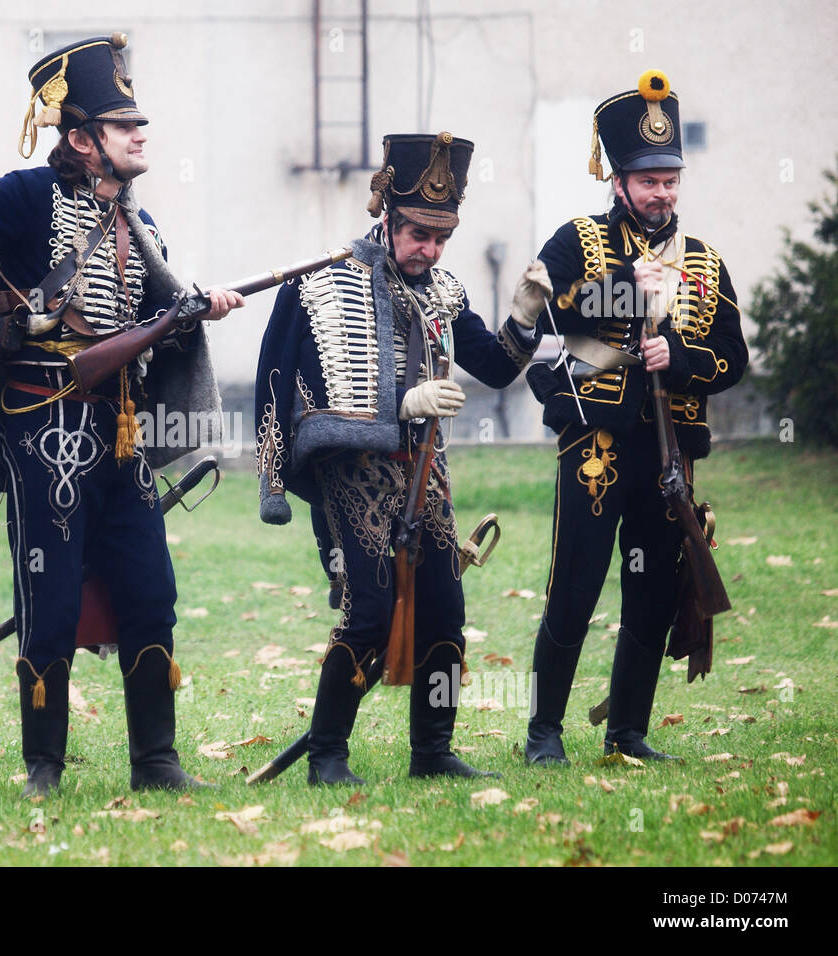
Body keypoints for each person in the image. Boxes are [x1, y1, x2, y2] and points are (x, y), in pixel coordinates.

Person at [0, 33, 241, 795]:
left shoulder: (137, 225)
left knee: (151, 592)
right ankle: (43, 768)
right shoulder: (27, 199)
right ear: (82, 140)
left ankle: (156, 762)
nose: (140, 134)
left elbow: (160, 314)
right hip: (41, 428)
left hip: (121, 433)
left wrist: (201, 307)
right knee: (47, 597)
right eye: (123, 126)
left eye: (137, 123)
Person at [255, 132, 547, 784]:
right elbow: (286, 382)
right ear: (385, 217)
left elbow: (495, 366)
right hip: (349, 472)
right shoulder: (320, 284)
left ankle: (432, 752)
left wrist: (525, 318)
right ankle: (328, 756)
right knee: (370, 611)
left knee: (446, 611)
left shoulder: (443, 287)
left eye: (442, 238)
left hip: (422, 473)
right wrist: (401, 401)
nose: (431, 249)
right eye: (419, 233)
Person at [521, 70, 747, 765]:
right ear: (617, 181)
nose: (663, 193)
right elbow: (539, 307)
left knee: (651, 589)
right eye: (649, 180)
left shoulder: (705, 264)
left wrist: (676, 360)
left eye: (671, 179)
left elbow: (732, 359)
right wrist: (622, 290)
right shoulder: (578, 238)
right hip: (595, 440)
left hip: (668, 452)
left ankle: (628, 734)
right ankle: (544, 733)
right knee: (576, 584)